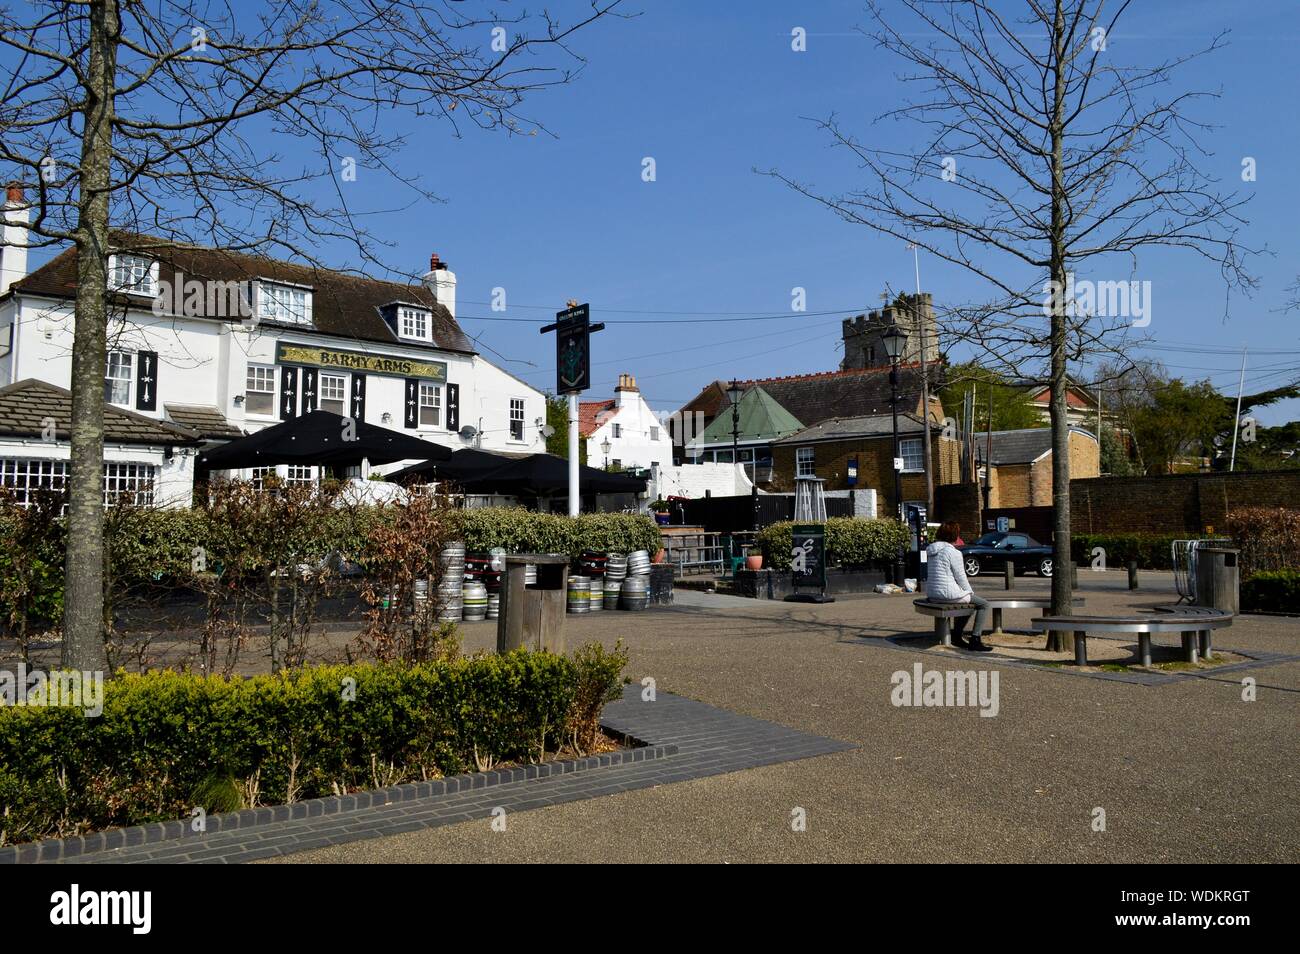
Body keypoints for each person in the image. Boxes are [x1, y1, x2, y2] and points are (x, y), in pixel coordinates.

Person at [925, 521, 992, 651]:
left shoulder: (931, 551)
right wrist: (970, 593)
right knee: (983, 604)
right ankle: (975, 639)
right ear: (955, 536)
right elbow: (961, 578)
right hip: (947, 594)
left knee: (967, 600)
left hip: (932, 594)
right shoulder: (953, 553)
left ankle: (957, 635)